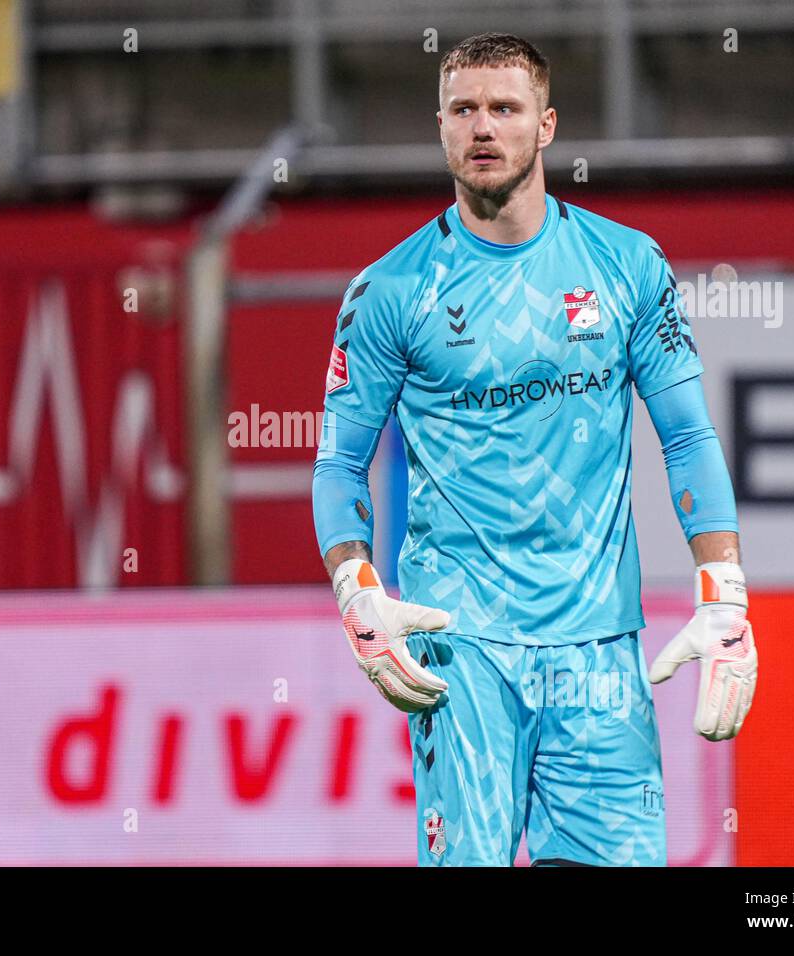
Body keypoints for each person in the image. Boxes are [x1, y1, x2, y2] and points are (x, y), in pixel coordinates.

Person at [311, 32, 757, 866]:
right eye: (464, 110)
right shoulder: (389, 291)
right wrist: (354, 585)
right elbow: (338, 462)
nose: (483, 127)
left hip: (598, 648)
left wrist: (724, 592)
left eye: (504, 109)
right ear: (440, 127)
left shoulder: (628, 265)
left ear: (546, 126)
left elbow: (688, 436)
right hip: (462, 643)